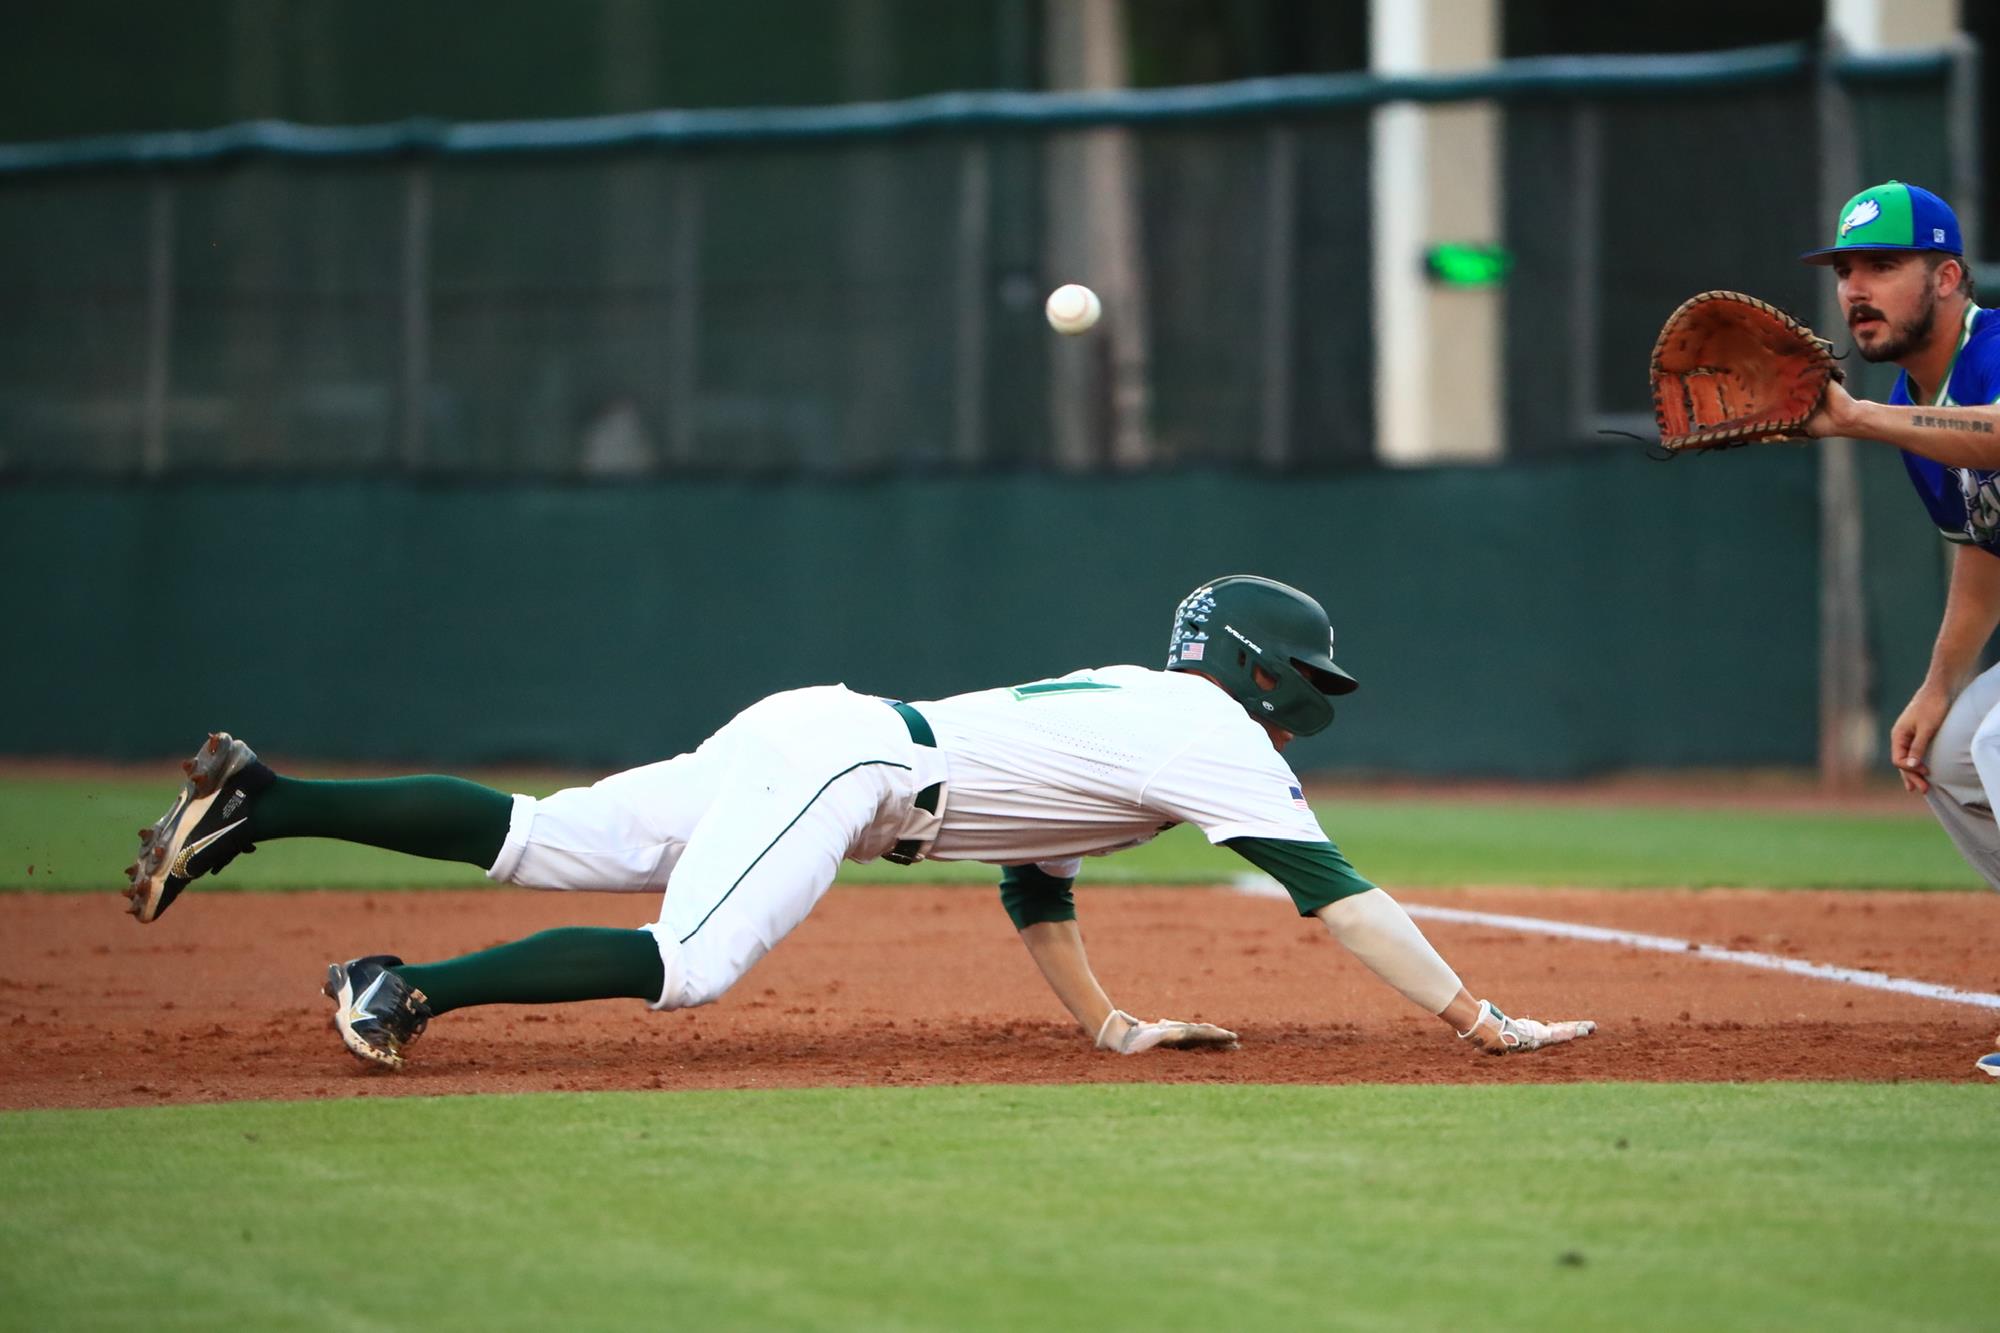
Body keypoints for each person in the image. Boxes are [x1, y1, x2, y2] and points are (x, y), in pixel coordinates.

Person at [123, 574, 1596, 1070]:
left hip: (824, 731)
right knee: (689, 963)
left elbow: (1034, 884)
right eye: (1306, 679)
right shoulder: (1209, 734)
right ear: (1263, 670)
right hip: (858, 771)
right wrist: (1482, 1021)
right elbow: (1332, 893)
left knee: (545, 834)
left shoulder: (1146, 710)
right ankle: (402, 989)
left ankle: (270, 798)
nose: (1309, 702)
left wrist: (1106, 1024)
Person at [1796, 181, 2000, 1073]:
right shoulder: (1916, 407)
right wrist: (1937, 684)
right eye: (1845, 270)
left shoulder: (1993, 352)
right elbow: (1985, 553)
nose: (1855, 288)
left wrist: (1860, 419)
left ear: (1947, 276)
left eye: (1883, 265)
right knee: (1950, 750)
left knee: (1998, 741)